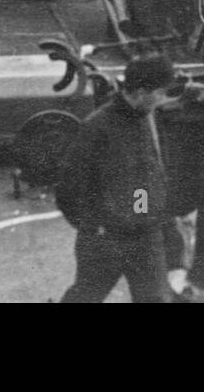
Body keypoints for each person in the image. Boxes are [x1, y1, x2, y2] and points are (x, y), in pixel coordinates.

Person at [56, 53, 177, 303]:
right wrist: (93, 227)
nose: (165, 98)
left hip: (146, 235)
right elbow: (69, 187)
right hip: (107, 239)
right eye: (161, 91)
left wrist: (154, 217)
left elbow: (150, 174)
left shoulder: (151, 116)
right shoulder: (97, 127)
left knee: (155, 299)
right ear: (143, 92)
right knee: (86, 296)